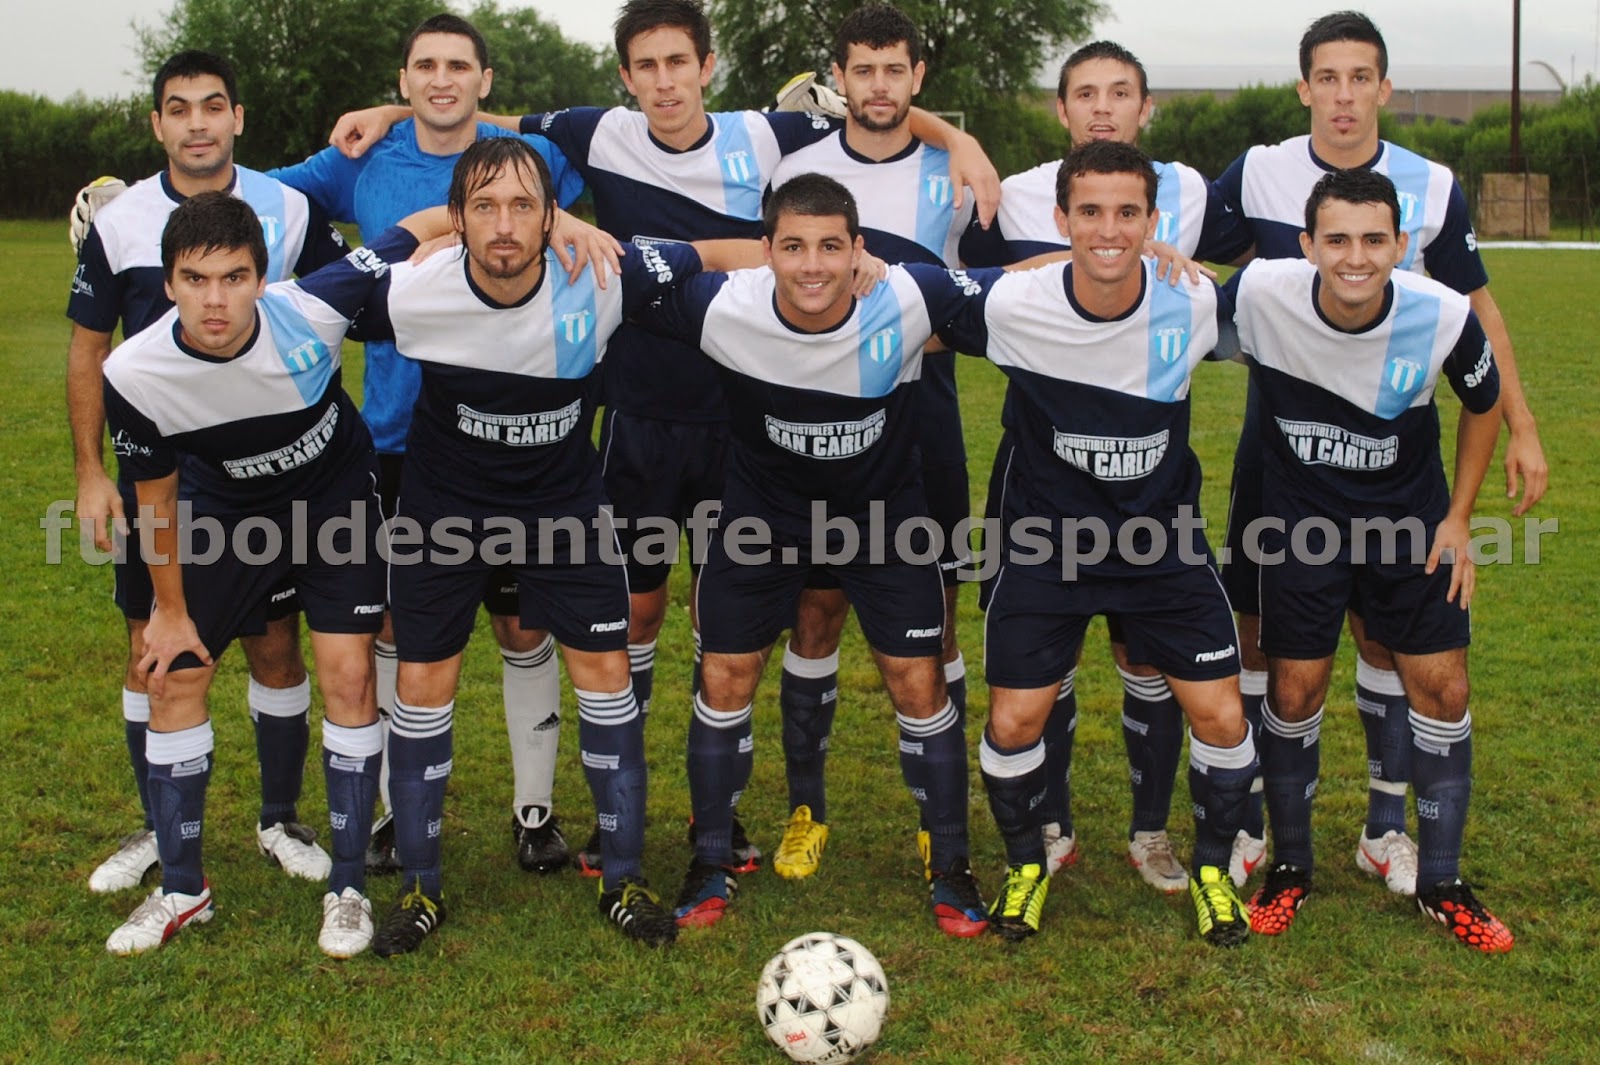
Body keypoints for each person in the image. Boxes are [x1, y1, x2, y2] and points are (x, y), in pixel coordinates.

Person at [328, 0, 1000, 879]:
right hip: (638, 418)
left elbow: (876, 102)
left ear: (708, 66)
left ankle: (725, 821)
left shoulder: (765, 135)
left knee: (731, 632)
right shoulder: (598, 132)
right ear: (626, 77)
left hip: (739, 423)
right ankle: (622, 815)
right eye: (645, 66)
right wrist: (395, 116)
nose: (663, 81)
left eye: (678, 63)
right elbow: (491, 126)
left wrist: (962, 140)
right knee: (635, 611)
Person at [347, 138, 776, 953]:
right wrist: (411, 236)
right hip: (447, 513)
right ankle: (420, 886)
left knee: (607, 677)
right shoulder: (414, 290)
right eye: (482, 207)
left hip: (564, 512)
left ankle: (624, 878)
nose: (503, 226)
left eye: (522, 206)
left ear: (552, 215)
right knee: (425, 681)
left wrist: (843, 266)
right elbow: (301, 305)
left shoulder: (604, 274)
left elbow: (728, 248)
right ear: (458, 219)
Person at [1213, 10, 1547, 901]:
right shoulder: (1259, 173)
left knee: (1390, 638)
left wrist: (1521, 424)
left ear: (1384, 88)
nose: (1345, 94)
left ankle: (1388, 826)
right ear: (1305, 88)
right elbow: (1172, 253)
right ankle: (1260, 824)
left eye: (1362, 77)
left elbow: (1479, 312)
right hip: (1280, 452)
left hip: (1397, 458)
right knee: (1270, 644)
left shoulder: (1432, 187)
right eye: (1329, 77)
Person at [269, 13, 592, 876]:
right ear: (403, 79)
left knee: (523, 627)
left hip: (517, 440)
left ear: (487, 81)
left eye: (459, 66)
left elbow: (630, 158)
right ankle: (391, 813)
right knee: (390, 631)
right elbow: (254, 195)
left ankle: (535, 810)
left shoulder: (538, 161)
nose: (442, 80)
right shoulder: (360, 156)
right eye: (424, 68)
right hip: (395, 440)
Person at [631, 172, 993, 936]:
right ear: (765, 254)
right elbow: (624, 268)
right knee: (726, 675)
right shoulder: (722, 306)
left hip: (882, 519)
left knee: (917, 681)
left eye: (832, 245)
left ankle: (951, 863)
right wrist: (566, 232)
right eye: (792, 247)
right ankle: (710, 855)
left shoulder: (909, 298)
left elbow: (1039, 288)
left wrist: (1137, 254)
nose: (813, 265)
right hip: (761, 519)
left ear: (860, 250)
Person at [936, 141, 1257, 945]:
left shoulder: (1197, 302)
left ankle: (1213, 870)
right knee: (1013, 722)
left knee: (1221, 714)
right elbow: (907, 301)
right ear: (1060, 219)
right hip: (1047, 543)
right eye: (1090, 212)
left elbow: (1316, 301)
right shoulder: (1013, 303)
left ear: (1154, 222)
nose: (1108, 229)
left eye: (1126, 214)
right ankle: (1024, 865)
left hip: (1161, 543)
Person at [68, 50, 350, 897]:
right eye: (179, 109)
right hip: (162, 474)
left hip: (271, 475)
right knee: (153, 647)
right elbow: (90, 350)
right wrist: (90, 471)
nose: (197, 123)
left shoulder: (290, 208)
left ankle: (279, 816)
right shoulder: (120, 222)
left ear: (237, 119)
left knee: (274, 644)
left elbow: (344, 300)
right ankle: (158, 826)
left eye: (213, 107)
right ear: (157, 124)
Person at [100, 191, 404, 956]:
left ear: (263, 278)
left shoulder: (314, 306)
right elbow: (157, 499)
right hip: (227, 505)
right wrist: (170, 610)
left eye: (233, 277)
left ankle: (347, 885)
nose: (214, 299)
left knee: (348, 674)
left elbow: (414, 231)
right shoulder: (135, 370)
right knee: (172, 671)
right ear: (167, 283)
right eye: (195, 279)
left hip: (332, 496)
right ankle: (183, 889)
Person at [1231, 168, 1511, 952]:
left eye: (1374, 239)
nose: (1356, 257)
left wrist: (1460, 517)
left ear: (1401, 245)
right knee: (1293, 689)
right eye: (1339, 239)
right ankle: (1292, 867)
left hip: (1408, 523)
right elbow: (1166, 313)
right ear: (1307, 244)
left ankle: (1445, 882)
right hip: (1301, 525)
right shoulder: (1260, 294)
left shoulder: (1443, 312)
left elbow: (1483, 405)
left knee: (1443, 687)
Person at [762, 2, 978, 883]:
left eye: (896, 70)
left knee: (937, 622)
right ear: (838, 78)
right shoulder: (797, 165)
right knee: (815, 614)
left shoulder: (957, 171)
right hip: (819, 421)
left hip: (924, 419)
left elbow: (982, 297)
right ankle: (806, 811)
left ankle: (940, 821)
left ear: (917, 78)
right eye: (863, 70)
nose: (879, 86)